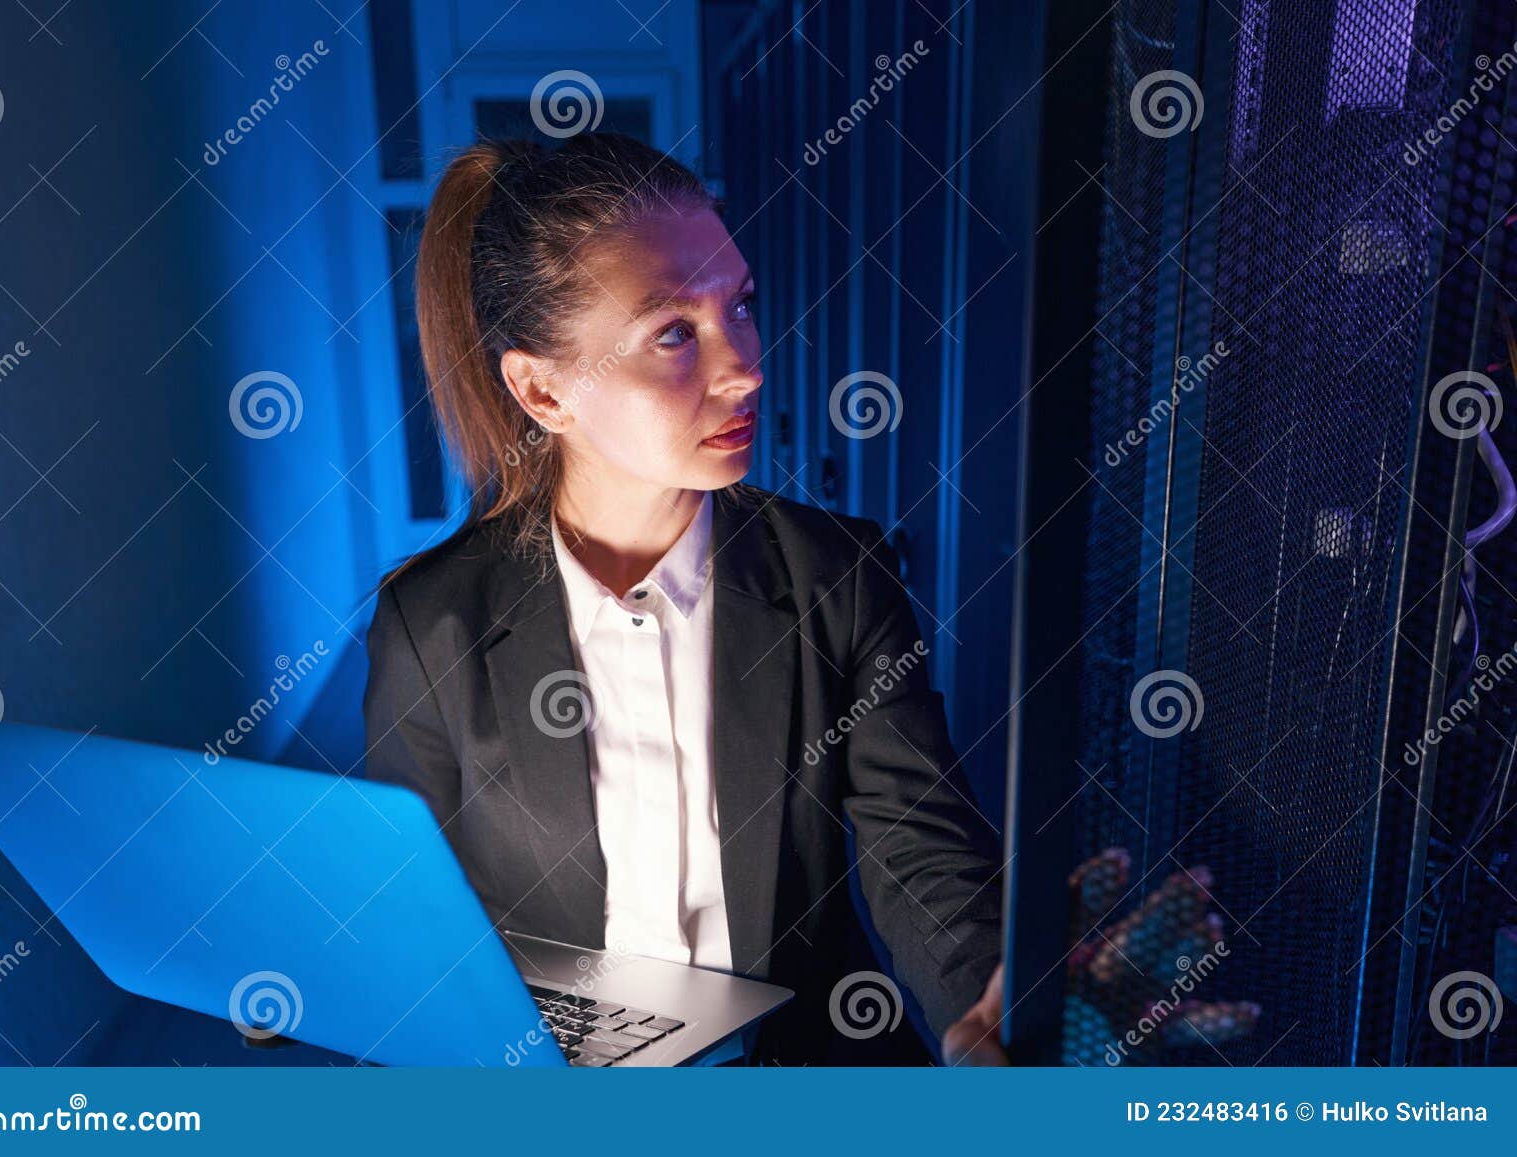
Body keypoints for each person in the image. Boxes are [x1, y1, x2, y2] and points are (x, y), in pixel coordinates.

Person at [361, 131, 1258, 1065]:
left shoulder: (838, 573)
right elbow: (417, 928)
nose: (744, 362)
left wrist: (988, 1001)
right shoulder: (431, 625)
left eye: (740, 305)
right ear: (543, 390)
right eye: (675, 332)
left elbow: (921, 852)